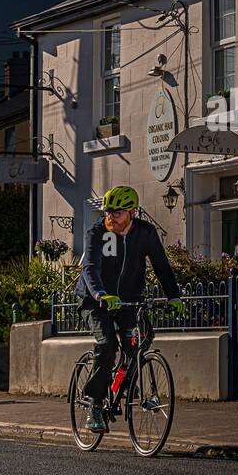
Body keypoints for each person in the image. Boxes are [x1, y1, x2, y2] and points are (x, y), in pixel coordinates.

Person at [76, 185, 185, 432]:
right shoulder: (97, 232)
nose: (111, 217)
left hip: (129, 300)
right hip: (95, 301)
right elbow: (90, 267)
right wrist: (100, 293)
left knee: (141, 340)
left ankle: (126, 383)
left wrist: (174, 296)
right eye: (109, 212)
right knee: (106, 346)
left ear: (132, 212)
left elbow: (161, 265)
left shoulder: (145, 232)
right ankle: (94, 403)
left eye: (118, 212)